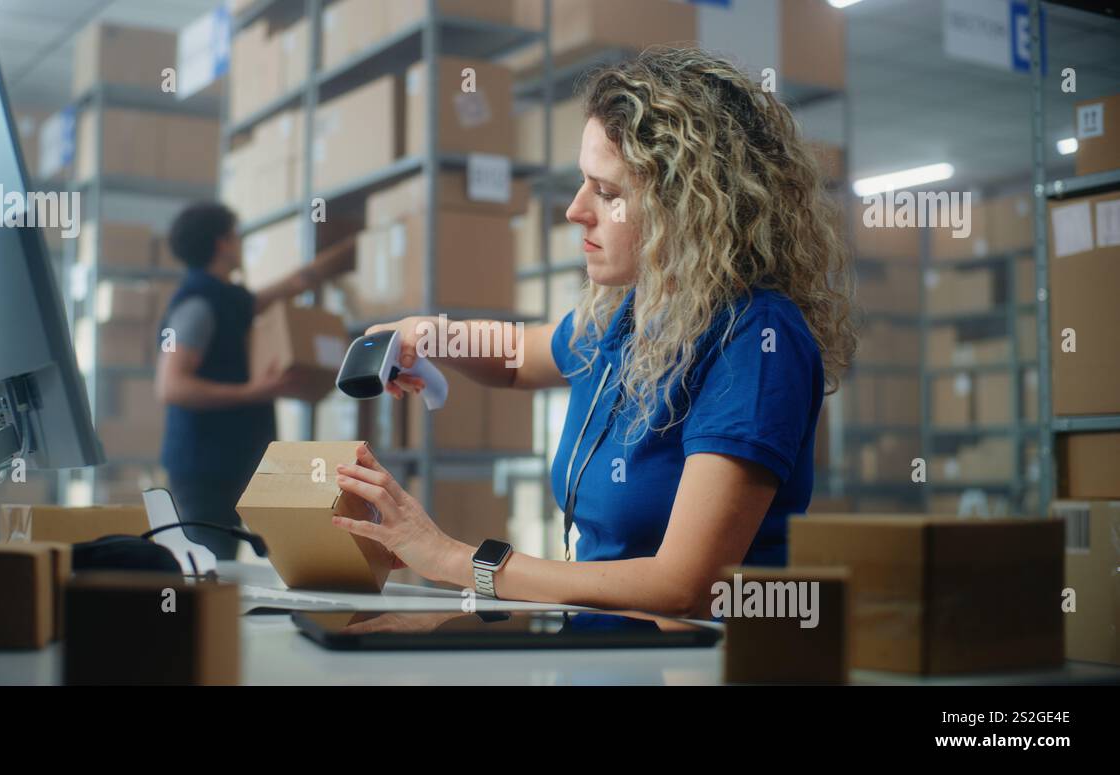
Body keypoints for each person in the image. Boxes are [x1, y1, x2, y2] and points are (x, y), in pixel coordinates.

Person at [328, 47, 855, 617]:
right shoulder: (631, 313)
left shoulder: (755, 339)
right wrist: (431, 336)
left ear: (688, 208)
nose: (575, 210)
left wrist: (452, 559)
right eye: (584, 184)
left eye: (608, 194)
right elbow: (514, 357)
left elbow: (687, 585)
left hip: (707, 656)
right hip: (614, 646)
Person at [155, 202, 350, 559]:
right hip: (203, 469)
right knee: (212, 568)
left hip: (237, 459)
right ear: (222, 244)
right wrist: (253, 391)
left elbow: (295, 283)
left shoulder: (228, 298)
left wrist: (355, 249)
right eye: (237, 236)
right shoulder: (197, 305)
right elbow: (172, 386)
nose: (241, 245)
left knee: (264, 557)